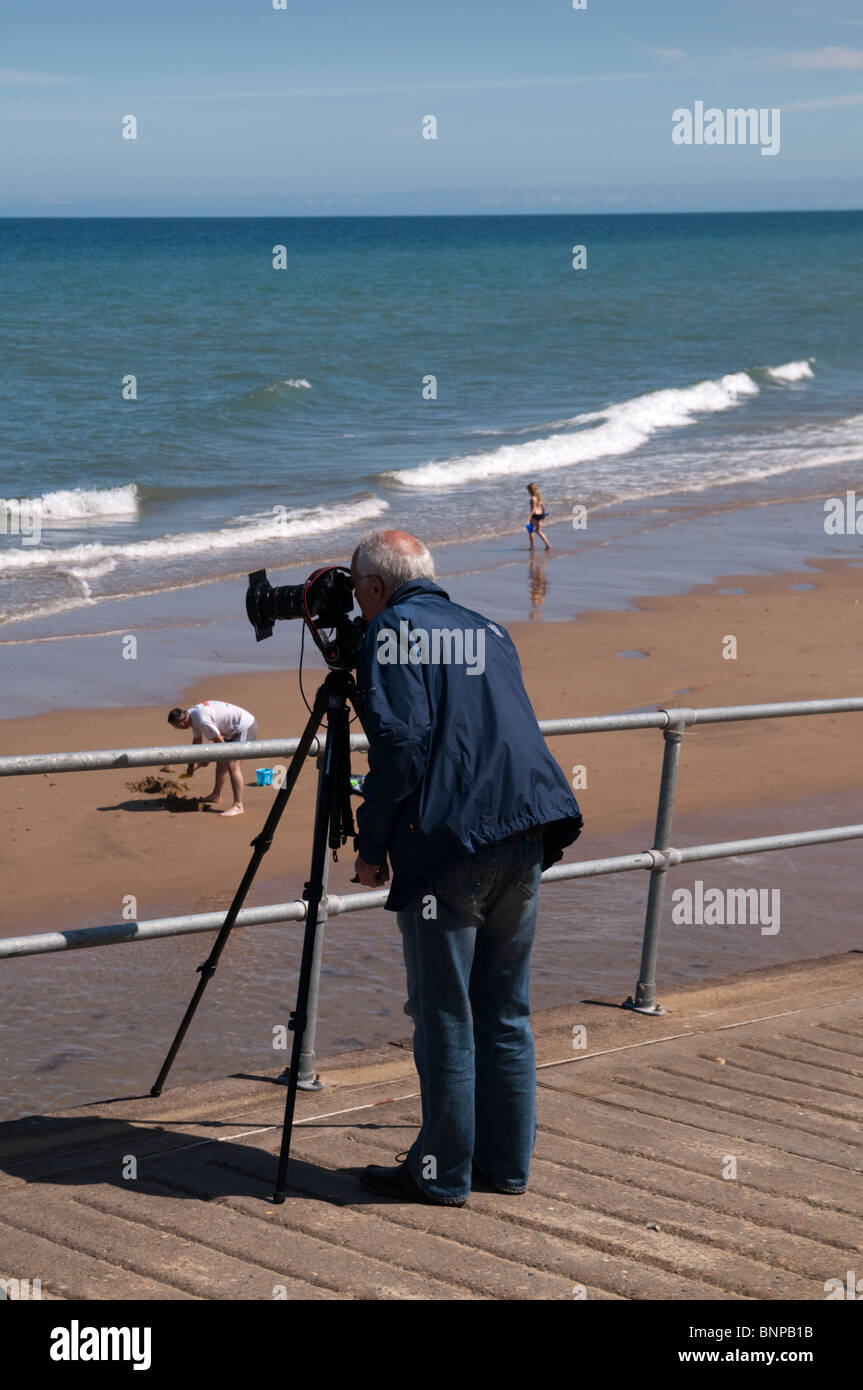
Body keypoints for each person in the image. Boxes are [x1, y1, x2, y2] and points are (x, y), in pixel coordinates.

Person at [349, 529, 582, 1207]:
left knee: (444, 1013)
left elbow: (400, 745)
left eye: (358, 593)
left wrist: (370, 847)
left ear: (372, 588)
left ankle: (443, 1173)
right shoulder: (488, 628)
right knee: (504, 1010)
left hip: (451, 840)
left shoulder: (391, 629)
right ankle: (505, 1167)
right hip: (528, 824)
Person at [167, 700, 258, 817]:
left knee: (232, 764)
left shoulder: (201, 720)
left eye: (176, 728)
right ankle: (216, 795)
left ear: (181, 724)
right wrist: (191, 766)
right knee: (221, 761)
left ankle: (238, 805)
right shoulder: (191, 716)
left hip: (245, 727)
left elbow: (220, 743)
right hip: (231, 730)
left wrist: (207, 759)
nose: (177, 730)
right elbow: (197, 743)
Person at [526, 481, 551, 552]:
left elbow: (533, 509)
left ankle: (532, 547)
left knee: (530, 531)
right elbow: (543, 506)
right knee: (538, 531)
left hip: (534, 516)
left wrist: (529, 515)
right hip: (540, 515)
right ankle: (548, 545)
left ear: (530, 490)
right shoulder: (539, 496)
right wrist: (543, 515)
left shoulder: (533, 498)